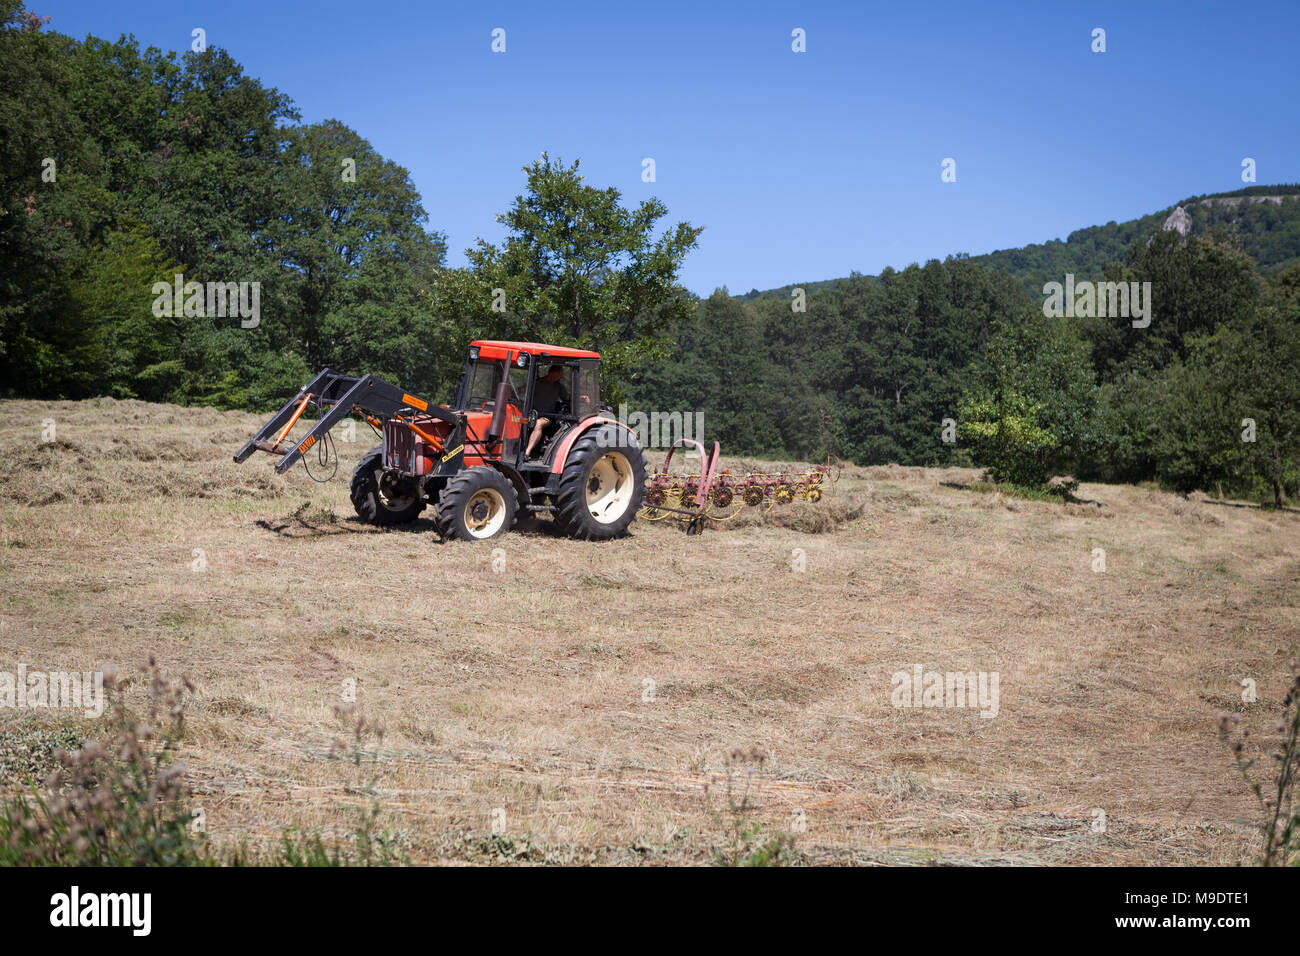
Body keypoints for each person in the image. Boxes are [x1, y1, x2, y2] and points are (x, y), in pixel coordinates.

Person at [524, 365, 569, 459]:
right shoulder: (538, 383)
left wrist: (581, 398)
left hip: (548, 417)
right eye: (560, 374)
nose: (561, 376)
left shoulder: (559, 387)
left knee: (538, 424)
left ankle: (527, 453)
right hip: (531, 414)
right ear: (553, 372)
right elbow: (523, 390)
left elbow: (567, 398)